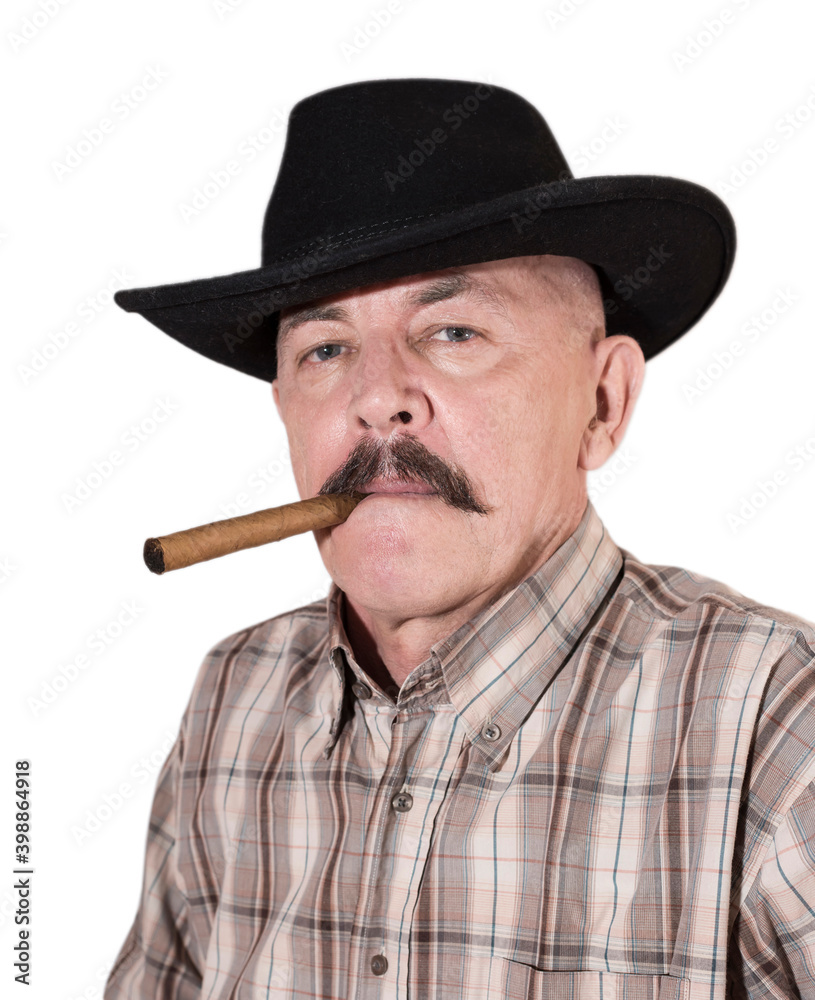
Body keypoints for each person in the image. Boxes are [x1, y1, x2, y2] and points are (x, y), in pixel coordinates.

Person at [104, 79, 815, 999]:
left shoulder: (777, 724)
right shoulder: (231, 702)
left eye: (453, 331)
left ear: (602, 404)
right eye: (325, 350)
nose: (375, 397)